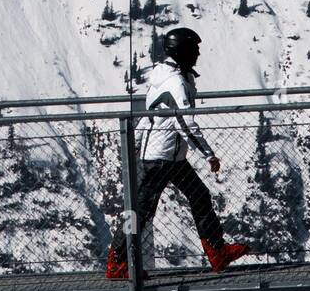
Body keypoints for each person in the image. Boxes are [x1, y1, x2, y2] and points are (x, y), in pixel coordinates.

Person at [107, 27, 250, 278]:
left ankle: (217, 253)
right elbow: (184, 123)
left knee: (198, 197)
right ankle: (117, 263)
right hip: (162, 158)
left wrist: (137, 141)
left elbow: (150, 116)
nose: (197, 54)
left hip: (168, 156)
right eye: (194, 49)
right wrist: (208, 154)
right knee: (142, 211)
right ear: (182, 52)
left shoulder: (169, 77)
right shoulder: (176, 83)